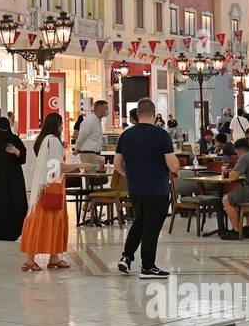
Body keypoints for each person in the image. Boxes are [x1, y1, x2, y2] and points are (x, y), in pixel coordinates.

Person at [114, 97, 177, 278]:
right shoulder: (161, 135)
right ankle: (147, 267)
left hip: (135, 189)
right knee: (152, 226)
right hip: (157, 188)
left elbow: (117, 163)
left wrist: (130, 175)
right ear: (154, 113)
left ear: (137, 113)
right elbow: (172, 165)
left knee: (140, 222)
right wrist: (176, 167)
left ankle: (126, 257)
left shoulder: (126, 135)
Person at [20, 113, 77, 272]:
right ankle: (30, 260)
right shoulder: (53, 141)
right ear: (57, 125)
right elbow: (57, 166)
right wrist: (81, 166)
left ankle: (54, 257)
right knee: (44, 220)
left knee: (48, 220)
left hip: (46, 185)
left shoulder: (43, 140)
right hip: (52, 186)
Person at [221, 138, 249, 239]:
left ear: (240, 150)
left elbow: (233, 177)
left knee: (226, 199)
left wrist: (231, 171)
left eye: (237, 153)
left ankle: (236, 231)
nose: (237, 155)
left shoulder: (244, 157)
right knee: (243, 192)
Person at [74, 99, 107, 170]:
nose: (107, 111)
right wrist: (77, 148)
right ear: (100, 109)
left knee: (96, 177)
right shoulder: (90, 121)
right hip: (89, 154)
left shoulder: (97, 121)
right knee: (92, 177)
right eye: (106, 108)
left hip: (94, 154)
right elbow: (81, 137)